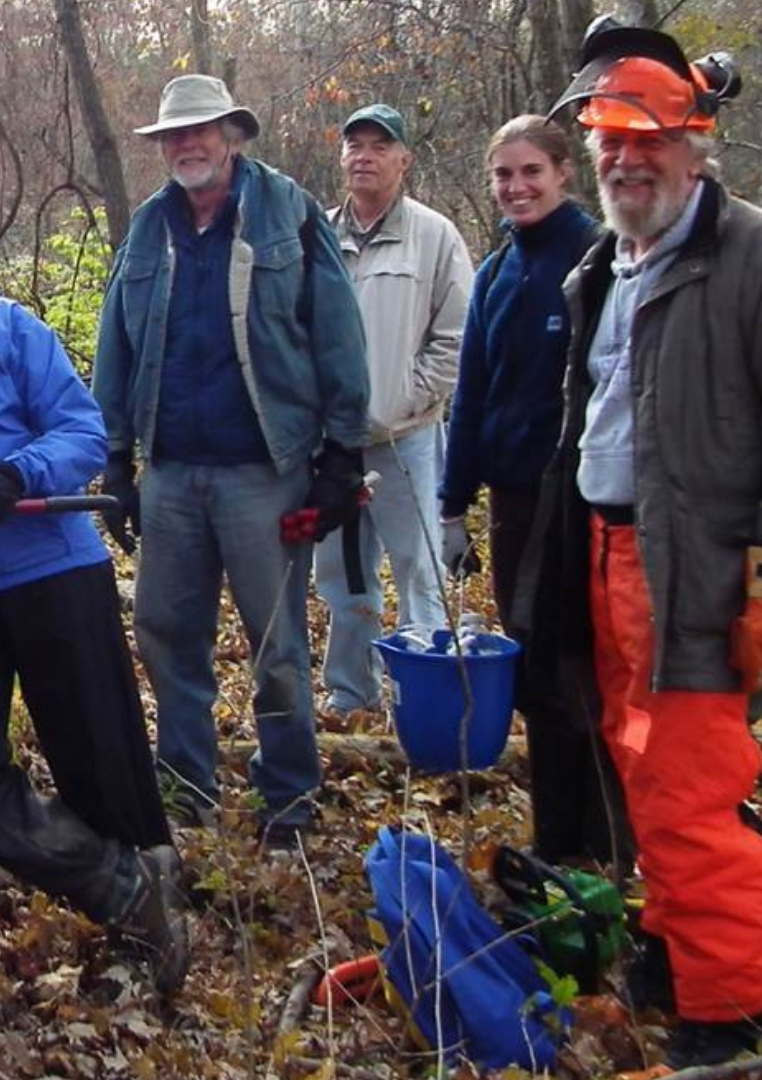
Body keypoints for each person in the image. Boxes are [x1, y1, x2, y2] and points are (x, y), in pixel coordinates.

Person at [514, 25, 762, 1069]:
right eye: (611, 143)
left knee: (691, 790)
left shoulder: (761, 255)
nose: (628, 161)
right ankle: (674, 948)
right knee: (638, 770)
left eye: (649, 142)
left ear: (696, 146)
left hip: (698, 574)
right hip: (606, 553)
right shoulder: (603, 265)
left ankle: (728, 1007)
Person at [93, 75, 370, 848]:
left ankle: (289, 800)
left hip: (265, 468)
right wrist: (117, 458)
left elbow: (338, 331)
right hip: (173, 470)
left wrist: (342, 453)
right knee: (165, 633)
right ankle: (187, 791)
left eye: (202, 131)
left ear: (233, 136)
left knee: (276, 645)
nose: (188, 145)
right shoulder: (148, 228)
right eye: (174, 136)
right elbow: (116, 344)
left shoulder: (288, 212)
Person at [439, 115, 629, 868]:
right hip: (516, 503)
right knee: (535, 673)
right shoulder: (496, 272)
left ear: (563, 175)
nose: (517, 188)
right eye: (503, 176)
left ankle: (609, 841)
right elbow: (472, 393)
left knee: (588, 671)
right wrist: (453, 504)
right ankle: (559, 841)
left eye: (531, 173)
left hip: (589, 503)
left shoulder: (600, 257)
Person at [0, 297, 188, 995]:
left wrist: (19, 472)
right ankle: (117, 883)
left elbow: (83, 431)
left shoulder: (14, 330)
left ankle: (149, 924)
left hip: (52, 566)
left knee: (97, 758)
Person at [314, 104, 472, 725]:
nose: (365, 156)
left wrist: (410, 399)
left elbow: (458, 335)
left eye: (381, 145)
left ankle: (425, 702)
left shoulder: (435, 236)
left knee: (418, 570)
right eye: (355, 144)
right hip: (334, 449)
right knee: (343, 578)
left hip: (406, 440)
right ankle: (352, 695)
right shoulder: (320, 237)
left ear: (404, 160)